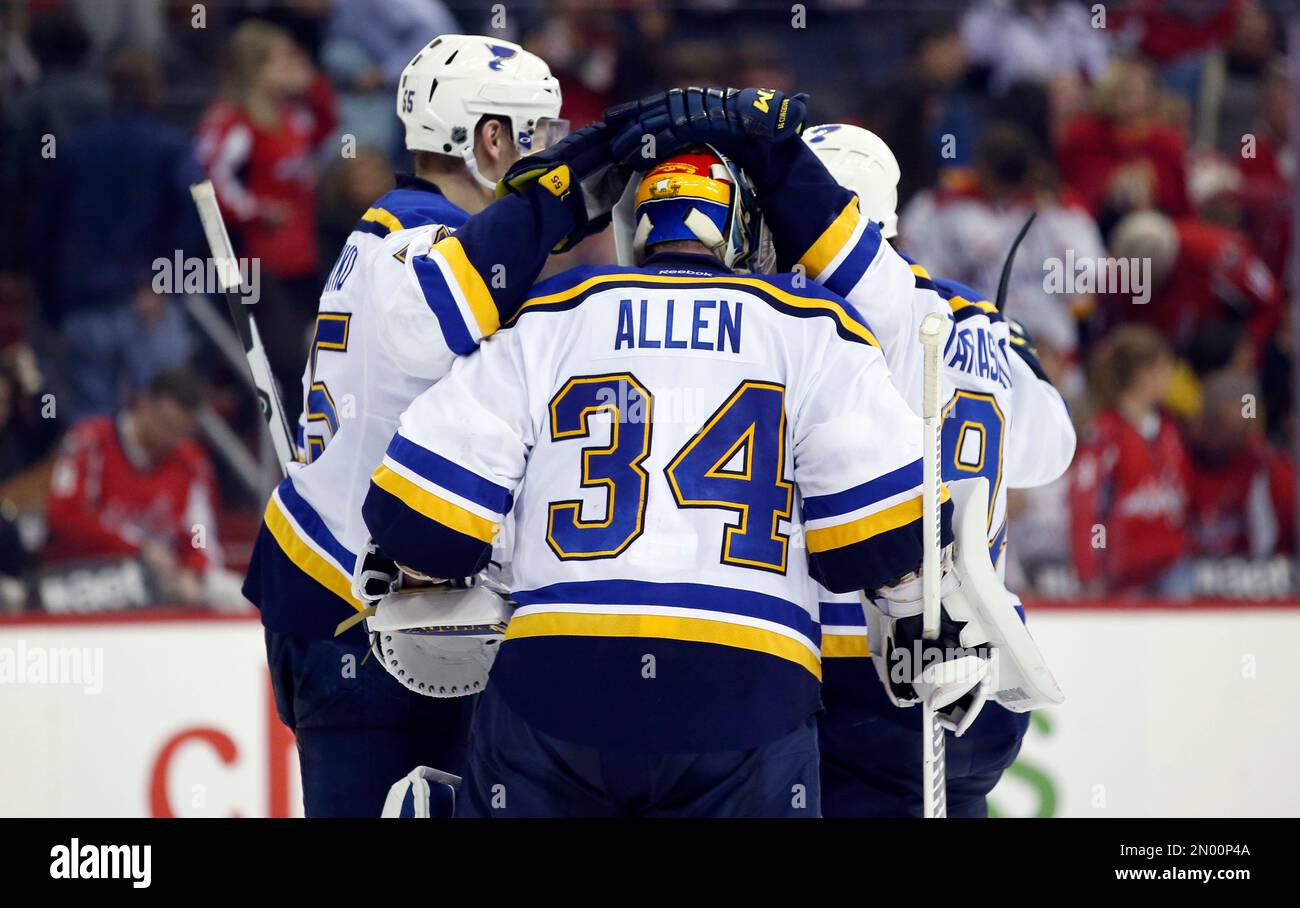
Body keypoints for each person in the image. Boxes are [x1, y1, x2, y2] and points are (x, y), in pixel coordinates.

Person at [362, 141, 967, 817]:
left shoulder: (549, 312)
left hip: (559, 683)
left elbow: (422, 520)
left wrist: (426, 580)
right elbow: (884, 541)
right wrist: (920, 618)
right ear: (744, 230)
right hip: (746, 693)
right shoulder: (813, 327)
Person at [242, 34, 584, 818]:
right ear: (491, 140)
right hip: (361, 616)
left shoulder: (391, 234)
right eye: (538, 137)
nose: (549, 158)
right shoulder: (424, 252)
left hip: (338, 594)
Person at [793, 123, 1077, 816]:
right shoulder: (976, 321)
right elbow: (1052, 450)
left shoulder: (819, 317)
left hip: (856, 659)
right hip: (983, 669)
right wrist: (1017, 363)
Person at [196, 19, 337, 417]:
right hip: (258, 264)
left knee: (323, 354)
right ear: (253, 68)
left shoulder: (294, 118)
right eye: (281, 61)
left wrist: (313, 83)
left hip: (304, 256)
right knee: (288, 362)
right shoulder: (232, 122)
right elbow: (208, 184)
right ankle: (285, 447)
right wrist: (256, 210)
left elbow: (328, 126)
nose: (292, 66)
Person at [42, 369, 228, 605]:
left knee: (230, 594)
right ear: (144, 404)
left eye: (182, 431)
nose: (170, 438)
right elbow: (64, 517)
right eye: (166, 424)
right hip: (82, 574)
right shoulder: (90, 441)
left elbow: (199, 534)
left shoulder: (191, 462)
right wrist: (138, 550)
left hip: (159, 579)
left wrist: (193, 570)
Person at [1070, 325, 1193, 595]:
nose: (1171, 378)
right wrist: (1089, 572)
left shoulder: (1170, 431)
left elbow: (1183, 500)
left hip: (1172, 566)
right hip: (1123, 574)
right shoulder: (1104, 435)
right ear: (1143, 374)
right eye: (1165, 369)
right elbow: (1084, 507)